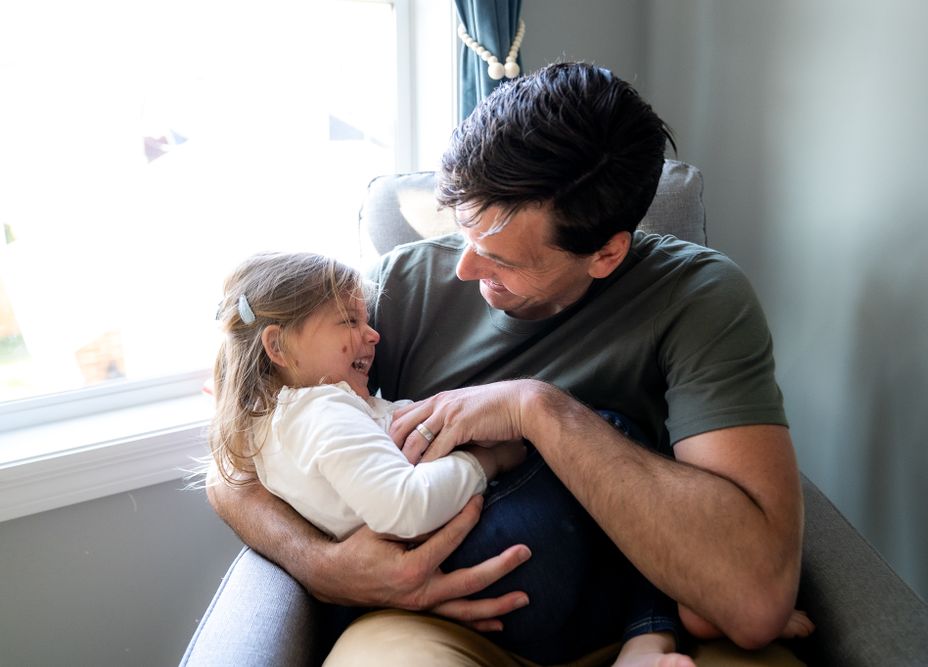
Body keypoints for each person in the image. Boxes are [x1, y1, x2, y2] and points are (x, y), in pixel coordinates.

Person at [207, 62, 809, 665]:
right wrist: (324, 567)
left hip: (637, 618)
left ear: (605, 253)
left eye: (501, 259)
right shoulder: (403, 288)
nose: (464, 269)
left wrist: (535, 408)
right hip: (442, 623)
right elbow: (232, 464)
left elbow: (753, 599)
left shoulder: (699, 299)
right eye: (464, 231)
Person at [210, 250, 696, 666]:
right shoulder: (323, 411)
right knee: (611, 432)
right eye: (350, 321)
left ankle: (644, 624)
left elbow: (396, 425)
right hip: (489, 564)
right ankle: (654, 625)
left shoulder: (270, 426)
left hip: (475, 590)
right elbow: (403, 508)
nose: (373, 334)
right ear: (278, 345)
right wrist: (491, 462)